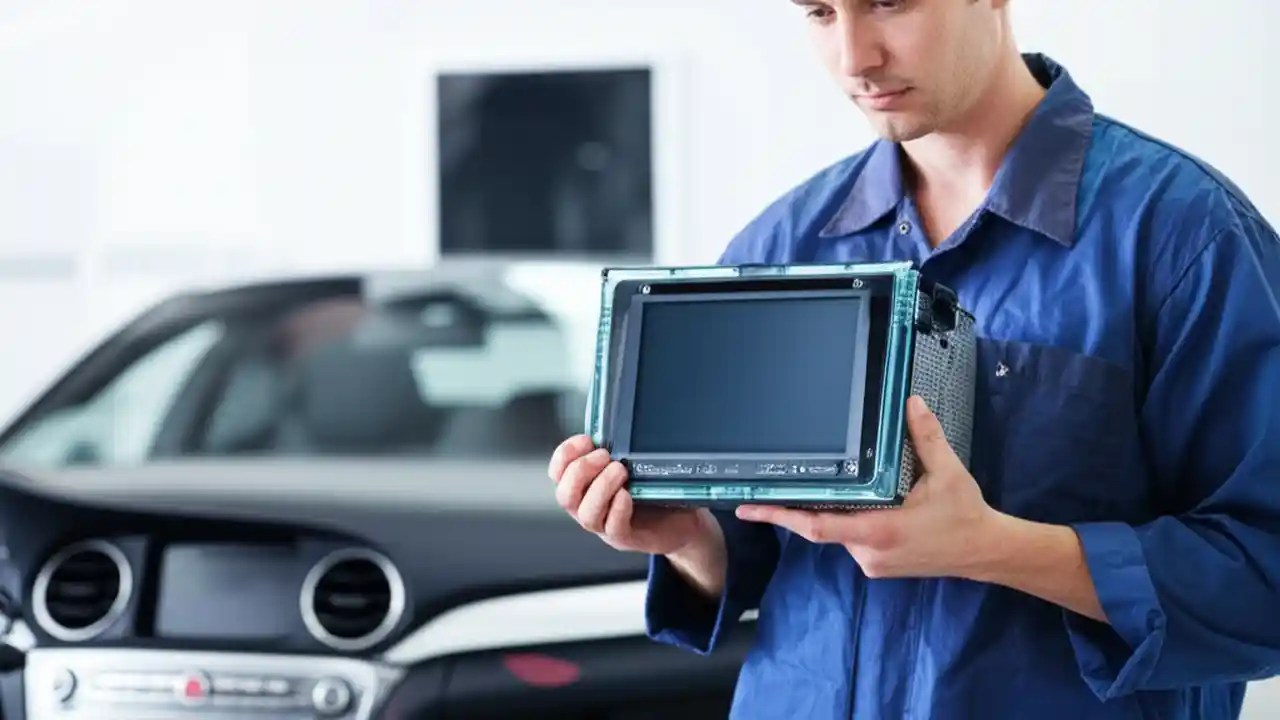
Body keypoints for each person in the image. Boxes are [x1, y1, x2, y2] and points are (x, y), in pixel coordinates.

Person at [548, 1, 1280, 718]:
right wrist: (684, 540)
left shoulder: (1186, 238)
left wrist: (998, 548)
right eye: (819, 13)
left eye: (888, 3)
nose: (854, 58)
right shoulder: (781, 246)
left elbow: (1265, 578)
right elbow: (758, 557)